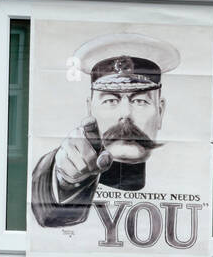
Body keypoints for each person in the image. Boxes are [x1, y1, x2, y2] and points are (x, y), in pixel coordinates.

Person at [30, 32, 179, 228]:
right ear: (89, 109)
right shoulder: (63, 163)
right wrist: (64, 179)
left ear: (160, 111)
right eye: (110, 100)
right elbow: (49, 211)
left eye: (140, 101)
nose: (125, 114)